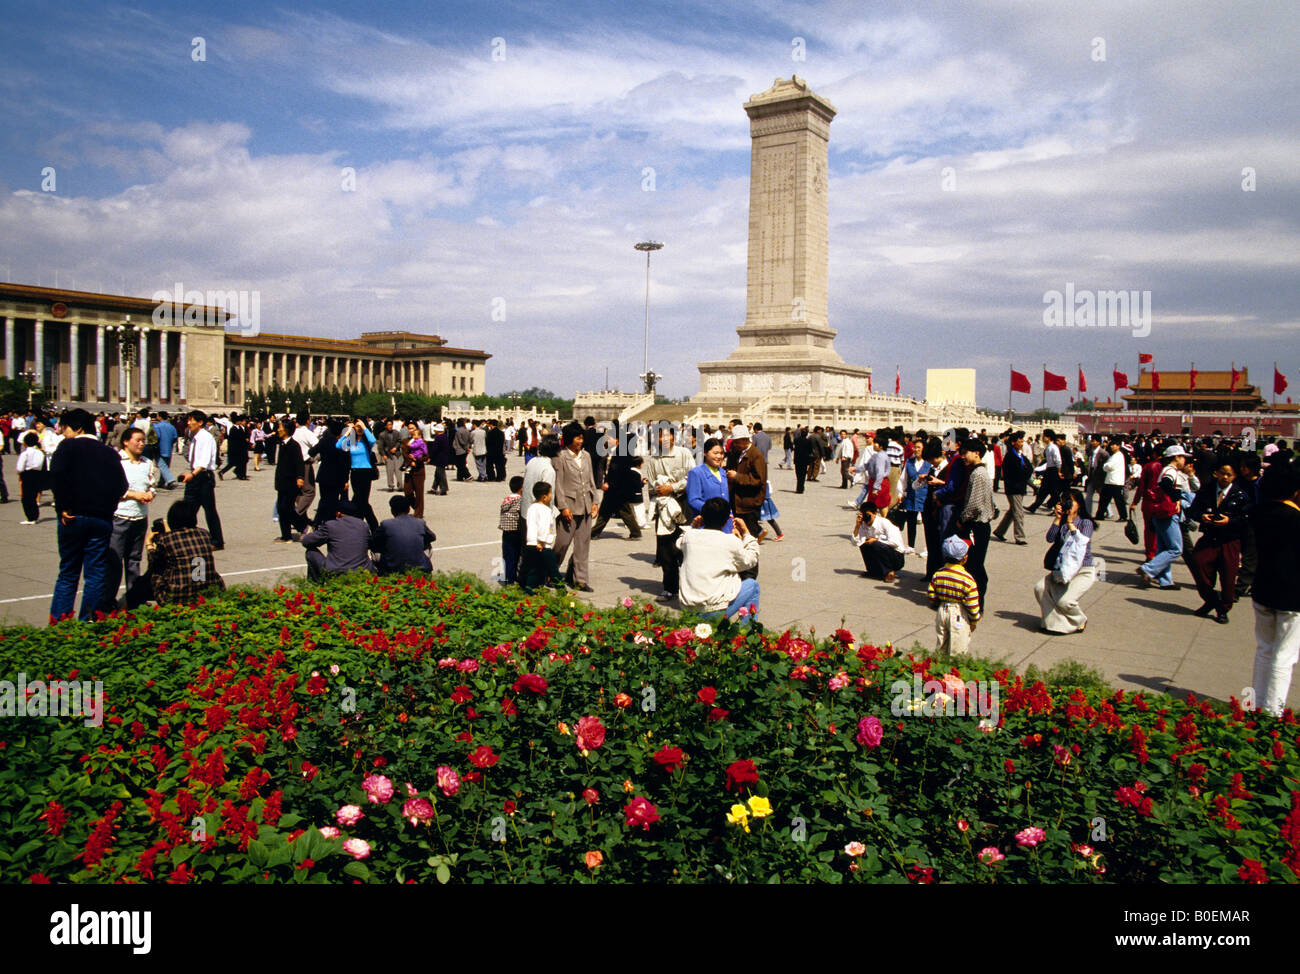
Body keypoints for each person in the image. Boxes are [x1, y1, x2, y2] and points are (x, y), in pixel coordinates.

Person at [48, 409, 128, 623]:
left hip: (72, 517)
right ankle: (89, 620)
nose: (63, 434)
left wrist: (63, 506)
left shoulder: (68, 447)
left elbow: (56, 475)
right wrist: (106, 506)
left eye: (64, 428)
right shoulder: (110, 452)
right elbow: (122, 486)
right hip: (101, 519)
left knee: (68, 572)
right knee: (95, 574)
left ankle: (60, 622)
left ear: (77, 428)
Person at [1249, 458, 1300, 716]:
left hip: (1263, 588)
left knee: (1265, 650)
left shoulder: (1259, 512)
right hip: (1292, 596)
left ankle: (1257, 705)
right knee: (1285, 656)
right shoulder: (1295, 518)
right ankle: (1272, 712)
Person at [1186, 459, 1251, 624]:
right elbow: (1193, 510)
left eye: (1229, 474)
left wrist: (1229, 521)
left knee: (1228, 576)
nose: (1225, 477)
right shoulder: (1207, 490)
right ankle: (1212, 600)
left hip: (1230, 540)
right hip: (1210, 536)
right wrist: (1202, 516)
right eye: (1222, 473)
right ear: (1217, 473)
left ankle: (1224, 608)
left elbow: (1246, 518)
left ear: (1234, 476)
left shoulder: (1241, 494)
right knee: (1198, 564)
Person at [125, 499, 224, 608]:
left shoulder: (166, 539)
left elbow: (154, 563)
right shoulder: (204, 534)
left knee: (144, 581)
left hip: (176, 597)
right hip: (206, 592)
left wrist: (149, 544)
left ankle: (130, 612)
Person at [676, 496, 760, 624]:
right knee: (753, 586)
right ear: (727, 520)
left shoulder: (689, 537)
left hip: (688, 608)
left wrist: (693, 526)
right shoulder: (730, 541)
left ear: (702, 517)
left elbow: (679, 542)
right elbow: (751, 559)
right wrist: (746, 534)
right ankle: (746, 635)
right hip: (713, 610)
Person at [102, 426, 158, 611]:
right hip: (120, 516)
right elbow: (112, 488)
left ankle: (135, 598)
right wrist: (135, 495)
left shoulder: (147, 463)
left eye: (143, 440)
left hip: (140, 517)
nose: (141, 444)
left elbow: (152, 484)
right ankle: (108, 600)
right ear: (126, 441)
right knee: (114, 561)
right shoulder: (117, 461)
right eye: (137, 440)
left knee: (134, 560)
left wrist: (150, 493)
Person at [1035, 489, 1097, 634]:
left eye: (1070, 501)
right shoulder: (1062, 521)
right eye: (1064, 501)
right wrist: (1057, 519)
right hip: (1063, 568)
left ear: (1079, 505)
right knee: (1040, 588)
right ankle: (1052, 623)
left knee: (1065, 602)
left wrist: (1070, 523)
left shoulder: (1086, 522)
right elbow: (1050, 538)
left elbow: (1081, 542)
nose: (1067, 505)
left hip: (1083, 570)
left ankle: (1080, 619)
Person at [645, 425, 695, 602]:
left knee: (686, 546)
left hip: (682, 503)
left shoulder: (684, 454)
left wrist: (672, 487)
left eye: (667, 435)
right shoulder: (653, 460)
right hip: (663, 506)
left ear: (674, 436)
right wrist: (660, 489)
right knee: (665, 548)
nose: (664, 439)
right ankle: (669, 587)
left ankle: (689, 585)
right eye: (660, 436)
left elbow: (692, 477)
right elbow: (650, 484)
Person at [1137, 444, 1195, 590]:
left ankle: (1165, 580)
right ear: (1176, 457)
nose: (1184, 460)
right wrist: (1175, 497)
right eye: (1182, 457)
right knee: (1176, 549)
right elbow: (1166, 484)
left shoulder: (1167, 470)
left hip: (1160, 512)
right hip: (1168, 513)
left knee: (1163, 549)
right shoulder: (1170, 470)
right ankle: (1148, 569)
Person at [553, 421, 598, 592]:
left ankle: (580, 579)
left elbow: (591, 480)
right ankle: (551, 572)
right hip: (569, 507)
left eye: (581, 438)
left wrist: (595, 502)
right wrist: (563, 506)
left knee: (582, 545)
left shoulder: (586, 456)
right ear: (569, 439)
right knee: (562, 543)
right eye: (577, 438)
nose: (580, 441)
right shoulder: (560, 457)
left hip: (586, 505)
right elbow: (558, 484)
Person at [953, 438, 995, 613]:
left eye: (966, 453)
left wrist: (962, 519)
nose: (963, 456)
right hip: (981, 524)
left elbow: (974, 504)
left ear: (976, 453)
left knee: (975, 566)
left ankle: (977, 604)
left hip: (976, 525)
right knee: (974, 564)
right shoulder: (981, 472)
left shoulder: (977, 474)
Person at [927, 536, 981, 657]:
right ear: (964, 558)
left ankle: (938, 670)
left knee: (941, 645)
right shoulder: (967, 579)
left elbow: (931, 594)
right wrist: (974, 620)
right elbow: (972, 604)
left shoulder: (938, 574)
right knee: (958, 649)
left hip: (942, 610)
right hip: (958, 613)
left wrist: (937, 602)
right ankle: (953, 673)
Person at [178, 410, 224, 549]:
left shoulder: (205, 437)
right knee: (189, 509)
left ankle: (217, 541)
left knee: (209, 510)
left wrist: (193, 474)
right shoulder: (195, 436)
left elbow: (203, 461)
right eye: (188, 420)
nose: (189, 423)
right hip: (195, 475)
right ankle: (189, 537)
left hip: (202, 477)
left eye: (192, 420)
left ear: (200, 422)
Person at [301, 500, 375, 581]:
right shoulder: (363, 525)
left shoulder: (331, 525)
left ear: (338, 513)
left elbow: (307, 541)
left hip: (337, 571)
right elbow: (370, 544)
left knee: (311, 552)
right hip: (362, 570)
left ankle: (317, 583)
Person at [372, 495, 436, 575]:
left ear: (392, 511)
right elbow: (432, 537)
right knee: (427, 544)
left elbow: (372, 541)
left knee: (377, 547)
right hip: (421, 569)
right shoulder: (420, 522)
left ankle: (381, 573)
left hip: (392, 569)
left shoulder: (386, 524)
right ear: (409, 509)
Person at [727, 425, 768, 544]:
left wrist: (737, 477)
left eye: (737, 442)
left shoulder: (756, 455)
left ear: (746, 440)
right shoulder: (736, 453)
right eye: (734, 442)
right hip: (738, 502)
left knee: (749, 538)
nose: (736, 445)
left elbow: (758, 480)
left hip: (750, 503)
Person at [522, 481, 565, 593]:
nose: (552, 496)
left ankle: (529, 590)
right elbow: (543, 528)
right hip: (543, 545)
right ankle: (562, 591)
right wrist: (541, 541)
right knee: (553, 569)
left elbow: (531, 525)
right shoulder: (545, 510)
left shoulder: (531, 507)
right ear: (544, 497)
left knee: (534, 569)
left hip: (531, 543)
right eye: (551, 494)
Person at [338, 418, 380, 532]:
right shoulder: (352, 440)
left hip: (365, 473)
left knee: (362, 501)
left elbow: (373, 439)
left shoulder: (367, 442)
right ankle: (360, 524)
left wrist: (364, 427)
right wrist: (348, 431)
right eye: (357, 427)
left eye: (360, 427)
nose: (359, 429)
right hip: (355, 473)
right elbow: (338, 445)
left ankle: (373, 526)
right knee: (359, 501)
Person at [852, 500, 907, 581]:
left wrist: (877, 540)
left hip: (896, 557)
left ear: (874, 514)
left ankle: (889, 572)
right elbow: (855, 542)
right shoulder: (863, 524)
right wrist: (857, 526)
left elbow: (895, 543)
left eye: (868, 515)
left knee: (875, 544)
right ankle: (873, 571)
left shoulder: (884, 523)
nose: (866, 518)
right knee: (863, 544)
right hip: (881, 553)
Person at [310, 419, 351, 526]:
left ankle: (318, 522)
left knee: (324, 500)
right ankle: (329, 523)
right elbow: (345, 464)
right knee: (333, 501)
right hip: (336, 477)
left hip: (324, 474)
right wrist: (346, 480)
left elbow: (311, 452)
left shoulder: (324, 441)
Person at [273, 418, 307, 543]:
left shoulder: (294, 445)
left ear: (286, 430)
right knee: (282, 509)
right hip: (282, 483)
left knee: (286, 508)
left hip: (291, 483)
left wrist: (300, 477)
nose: (278, 429)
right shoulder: (282, 444)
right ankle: (286, 535)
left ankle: (303, 526)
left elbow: (299, 463)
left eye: (280, 427)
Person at [686, 438, 732, 527]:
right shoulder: (696, 473)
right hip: (705, 523)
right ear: (705, 453)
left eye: (721, 453)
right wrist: (714, 510)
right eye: (715, 453)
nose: (719, 457)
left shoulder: (723, 472)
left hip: (725, 524)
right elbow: (693, 500)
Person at [898, 439, 935, 548]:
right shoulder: (909, 462)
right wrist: (900, 493)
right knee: (911, 522)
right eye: (915, 447)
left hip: (925, 496)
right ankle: (911, 546)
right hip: (911, 495)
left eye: (918, 447)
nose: (916, 449)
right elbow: (903, 479)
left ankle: (928, 547)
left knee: (927, 524)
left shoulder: (929, 463)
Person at [1094, 437, 1129, 521]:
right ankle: (1100, 515)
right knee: (1104, 499)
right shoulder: (1114, 455)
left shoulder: (1118, 456)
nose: (1112, 447)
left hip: (1115, 481)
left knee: (1118, 500)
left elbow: (1109, 466)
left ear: (1118, 446)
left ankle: (1123, 516)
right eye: (1112, 445)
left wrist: (1104, 466)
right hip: (1110, 481)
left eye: (1114, 445)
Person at [400, 421, 428, 518]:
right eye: (409, 428)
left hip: (419, 470)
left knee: (419, 492)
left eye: (413, 428)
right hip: (408, 469)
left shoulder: (422, 441)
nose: (411, 430)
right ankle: (416, 507)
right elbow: (404, 453)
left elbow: (426, 455)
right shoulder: (405, 441)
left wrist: (417, 460)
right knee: (408, 491)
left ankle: (419, 513)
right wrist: (410, 460)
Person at [16, 431, 45, 524]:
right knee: (34, 495)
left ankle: (30, 517)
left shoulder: (25, 453)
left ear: (25, 442)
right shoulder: (40, 453)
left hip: (27, 474)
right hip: (37, 473)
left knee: (26, 497)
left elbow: (20, 467)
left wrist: (19, 472)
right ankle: (35, 516)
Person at [218, 416, 250, 480]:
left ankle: (241, 475)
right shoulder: (233, 429)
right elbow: (233, 440)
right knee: (233, 463)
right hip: (236, 449)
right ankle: (223, 472)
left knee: (242, 461)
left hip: (242, 448)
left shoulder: (240, 428)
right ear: (237, 421)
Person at [154, 411, 179, 489]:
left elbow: (156, 437)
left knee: (162, 465)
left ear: (160, 417)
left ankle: (170, 480)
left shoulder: (157, 426)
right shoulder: (171, 426)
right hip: (169, 448)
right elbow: (175, 437)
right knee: (165, 465)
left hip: (159, 448)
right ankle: (161, 482)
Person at [378, 419, 403, 491]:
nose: (390, 426)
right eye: (388, 425)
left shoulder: (396, 433)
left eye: (391, 425)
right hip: (388, 454)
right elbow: (380, 446)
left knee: (398, 471)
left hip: (397, 454)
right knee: (390, 471)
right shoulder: (382, 435)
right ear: (385, 426)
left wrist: (396, 447)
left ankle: (400, 485)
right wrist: (383, 454)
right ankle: (391, 486)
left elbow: (399, 441)